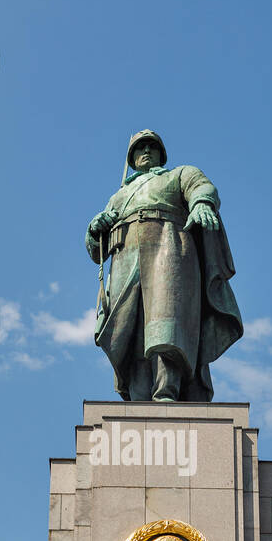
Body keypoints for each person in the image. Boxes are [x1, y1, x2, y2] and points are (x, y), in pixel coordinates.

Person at [85, 130, 243, 401]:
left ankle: (166, 391)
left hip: (169, 246)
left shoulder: (178, 174)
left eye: (151, 146)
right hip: (126, 257)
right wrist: (93, 230)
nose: (146, 150)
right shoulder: (118, 196)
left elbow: (202, 187)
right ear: (132, 158)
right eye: (139, 148)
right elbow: (96, 250)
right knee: (130, 329)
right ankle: (139, 398)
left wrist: (202, 203)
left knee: (166, 322)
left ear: (161, 153)